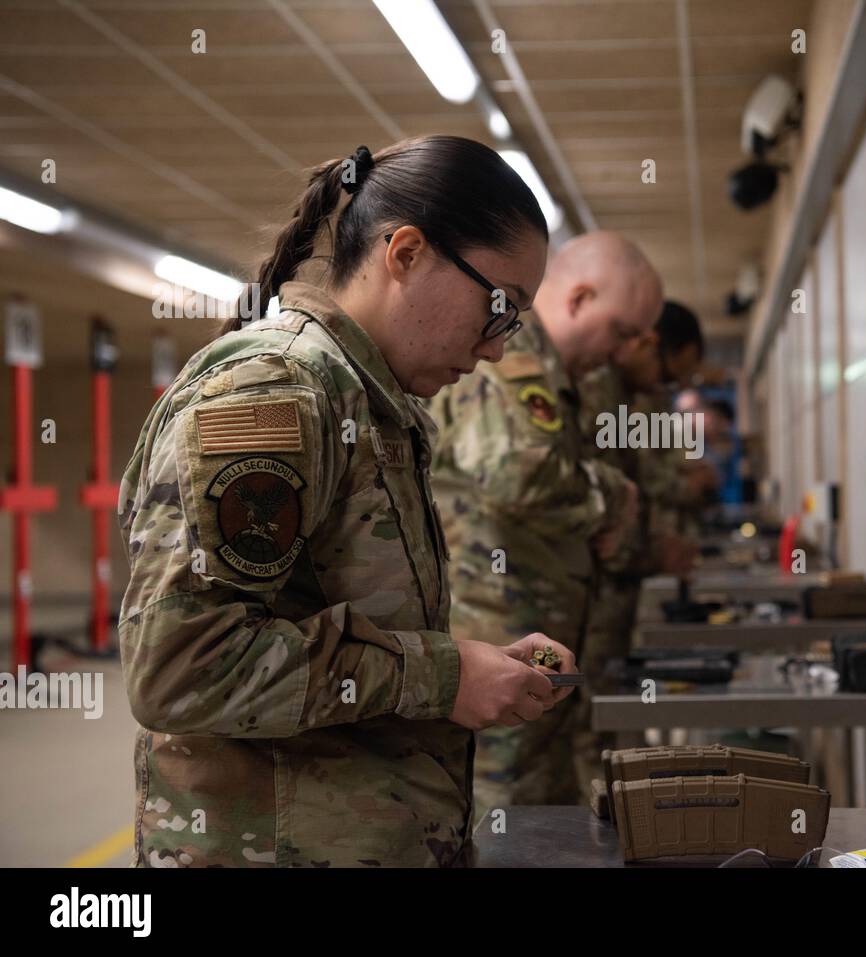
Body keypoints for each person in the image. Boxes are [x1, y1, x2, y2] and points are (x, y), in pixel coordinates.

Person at [117, 136, 576, 868]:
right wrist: (443, 675)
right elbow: (180, 668)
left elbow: (343, 620)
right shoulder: (279, 394)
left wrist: (466, 662)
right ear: (407, 253)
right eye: (498, 306)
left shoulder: (369, 403)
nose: (496, 348)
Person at [427, 231, 662, 812]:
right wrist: (614, 496)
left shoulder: (559, 375)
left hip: (531, 643)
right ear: (580, 299)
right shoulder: (515, 357)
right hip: (495, 641)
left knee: (538, 811)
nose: (623, 351)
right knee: (500, 813)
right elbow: (518, 476)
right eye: (623, 331)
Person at [572, 301, 705, 790]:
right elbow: (607, 503)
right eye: (669, 374)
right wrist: (652, 551)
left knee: (596, 724)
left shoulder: (624, 393)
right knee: (584, 729)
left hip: (605, 593)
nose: (663, 387)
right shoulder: (598, 389)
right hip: (584, 594)